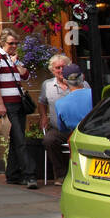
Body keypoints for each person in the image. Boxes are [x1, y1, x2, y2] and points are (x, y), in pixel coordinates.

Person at [0, 27, 36, 189]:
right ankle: (29, 175)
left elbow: (26, 75)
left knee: (17, 138)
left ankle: (13, 175)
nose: (14, 46)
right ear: (2, 43)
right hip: (7, 104)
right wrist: (0, 104)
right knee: (20, 140)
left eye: (16, 43)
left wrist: (17, 64)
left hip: (19, 103)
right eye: (11, 43)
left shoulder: (13, 59)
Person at [50, 64, 95, 177]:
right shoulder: (95, 95)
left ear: (65, 81)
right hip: (96, 136)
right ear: (83, 77)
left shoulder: (60, 103)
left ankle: (62, 175)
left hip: (76, 139)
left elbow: (62, 128)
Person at [38, 52, 72, 183]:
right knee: (48, 140)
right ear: (52, 70)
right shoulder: (47, 85)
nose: (61, 70)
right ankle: (61, 174)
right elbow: (41, 102)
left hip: (77, 128)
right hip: (58, 128)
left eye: (64, 67)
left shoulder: (80, 83)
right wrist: (43, 116)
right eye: (58, 68)